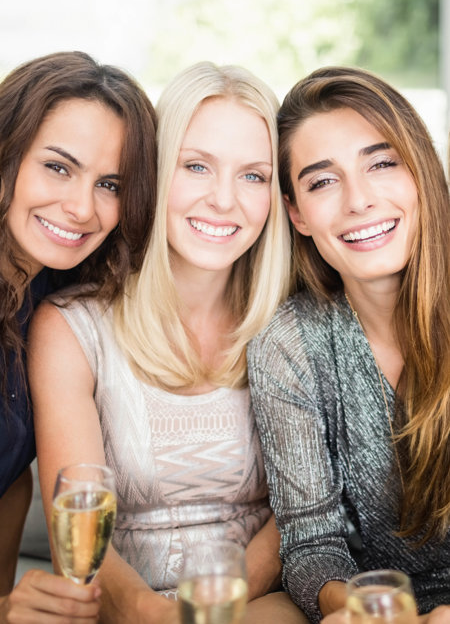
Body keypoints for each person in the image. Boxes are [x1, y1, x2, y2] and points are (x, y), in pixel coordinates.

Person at [29, 61, 307, 623]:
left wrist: (202, 609)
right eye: (197, 166)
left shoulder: (291, 326)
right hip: (124, 610)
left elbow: (302, 519)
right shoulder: (69, 327)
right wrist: (148, 615)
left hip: (257, 603)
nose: (224, 200)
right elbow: (78, 532)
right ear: (154, 173)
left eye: (252, 176)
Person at [246, 66, 450, 624]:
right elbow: (312, 545)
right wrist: (364, 611)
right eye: (322, 181)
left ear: (420, 173)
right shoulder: (288, 342)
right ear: (296, 214)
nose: (358, 201)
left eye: (382, 164)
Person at [0, 50, 157, 622]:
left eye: (110, 183)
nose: (81, 208)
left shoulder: (51, 301)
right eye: (58, 167)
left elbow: (11, 476)